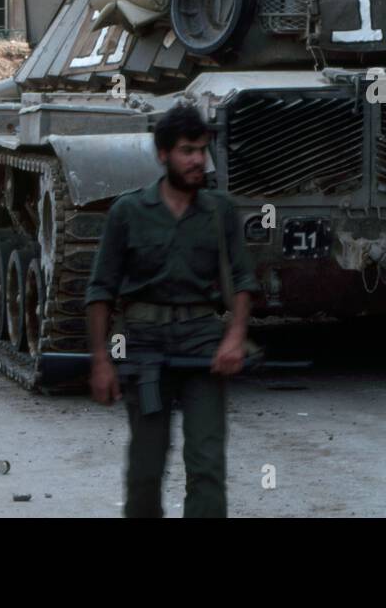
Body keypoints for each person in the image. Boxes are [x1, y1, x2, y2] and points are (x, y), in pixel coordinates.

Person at [86, 103, 258, 518]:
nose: (197, 159)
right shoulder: (128, 212)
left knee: (207, 464)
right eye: (186, 150)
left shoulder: (220, 211)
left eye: (201, 149)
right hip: (145, 350)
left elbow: (242, 281)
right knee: (146, 467)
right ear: (163, 155)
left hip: (202, 347)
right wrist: (101, 360)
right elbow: (101, 290)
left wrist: (234, 338)